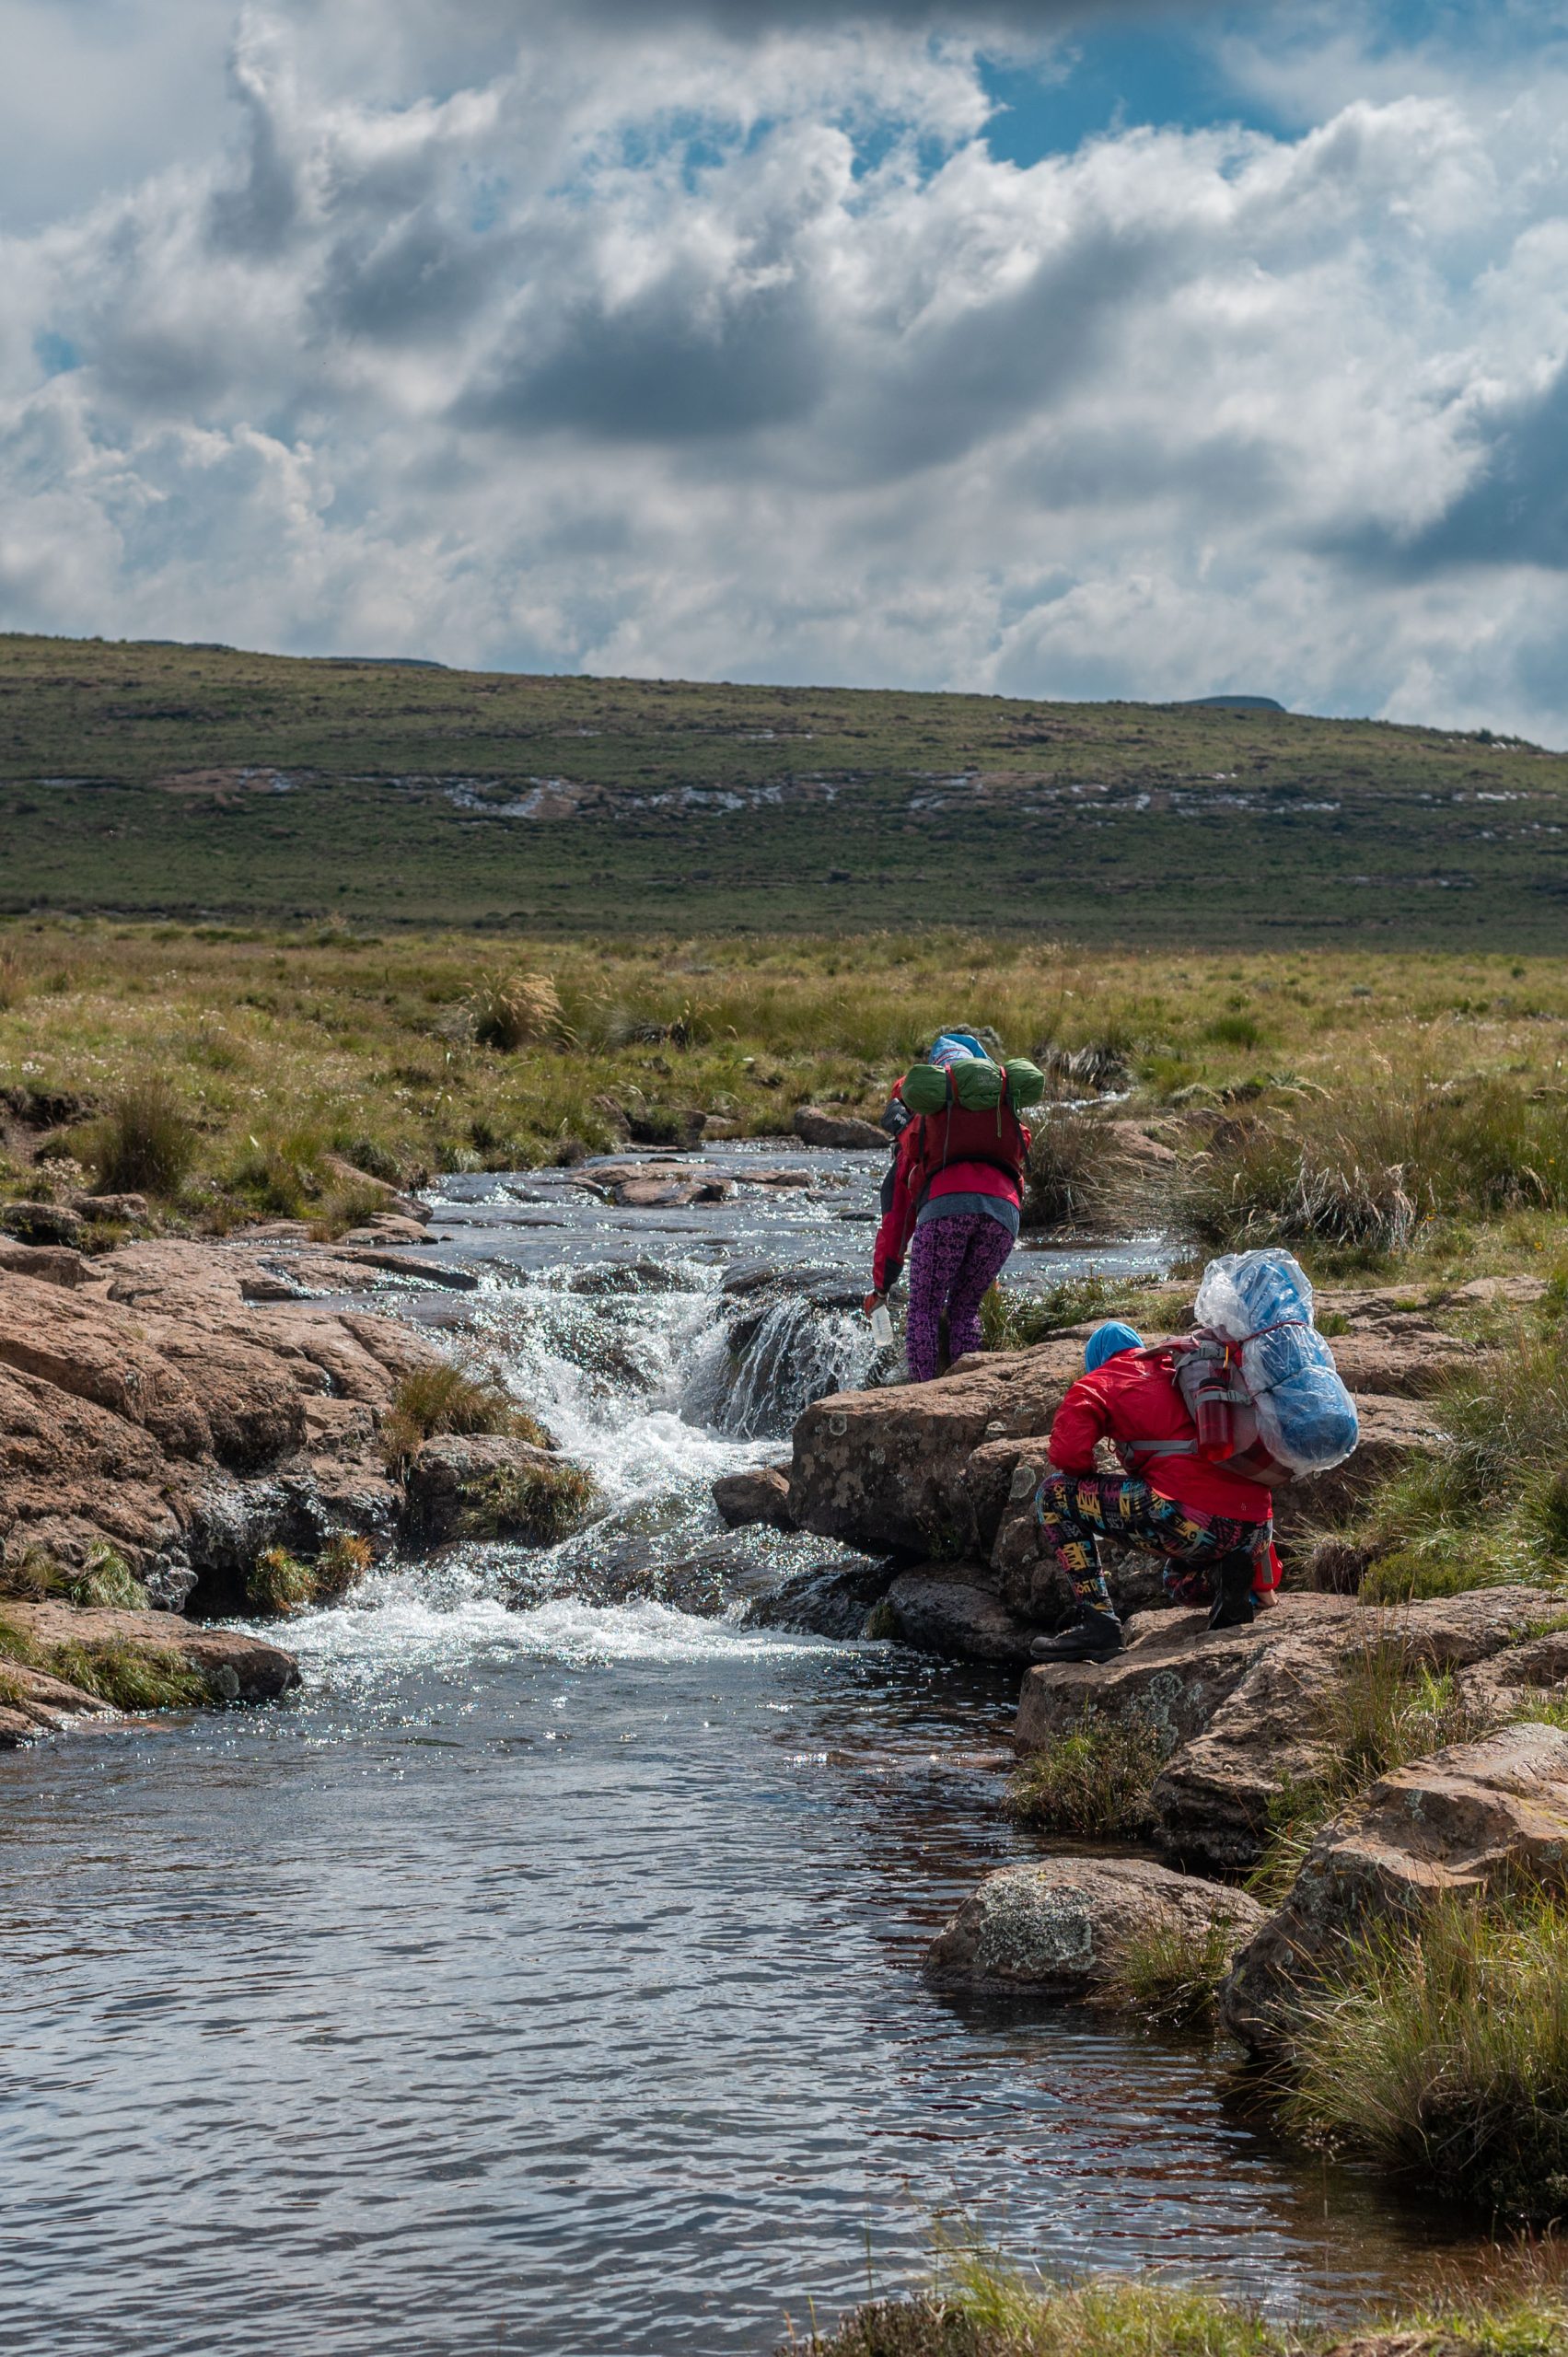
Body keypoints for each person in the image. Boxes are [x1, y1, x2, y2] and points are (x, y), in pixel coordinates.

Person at [1029, 1320, 1281, 1664]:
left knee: (1053, 1496)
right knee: (1177, 1579)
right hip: (1256, 1532)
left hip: (1190, 1520)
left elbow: (1067, 1455)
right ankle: (1228, 1581)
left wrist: (1092, 1483)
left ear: (1095, 1360)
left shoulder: (1098, 1381)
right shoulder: (1179, 1365)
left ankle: (1098, 1624)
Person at [865, 1029, 1030, 1384]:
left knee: (924, 1309)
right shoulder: (998, 1112)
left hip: (945, 1210)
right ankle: (969, 1386)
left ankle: (923, 1393)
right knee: (965, 1308)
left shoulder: (925, 1127)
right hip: (1004, 1215)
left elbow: (897, 1220)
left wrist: (881, 1289)